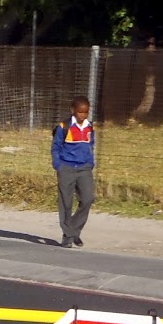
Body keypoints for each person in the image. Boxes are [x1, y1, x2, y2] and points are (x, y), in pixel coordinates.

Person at [52, 96, 96, 248]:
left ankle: (73, 230)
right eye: (80, 112)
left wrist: (90, 162)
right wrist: (58, 165)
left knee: (88, 198)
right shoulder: (64, 126)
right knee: (66, 202)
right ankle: (68, 236)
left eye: (86, 112)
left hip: (84, 168)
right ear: (73, 110)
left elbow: (91, 144)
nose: (83, 115)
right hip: (66, 168)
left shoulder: (90, 126)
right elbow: (56, 146)